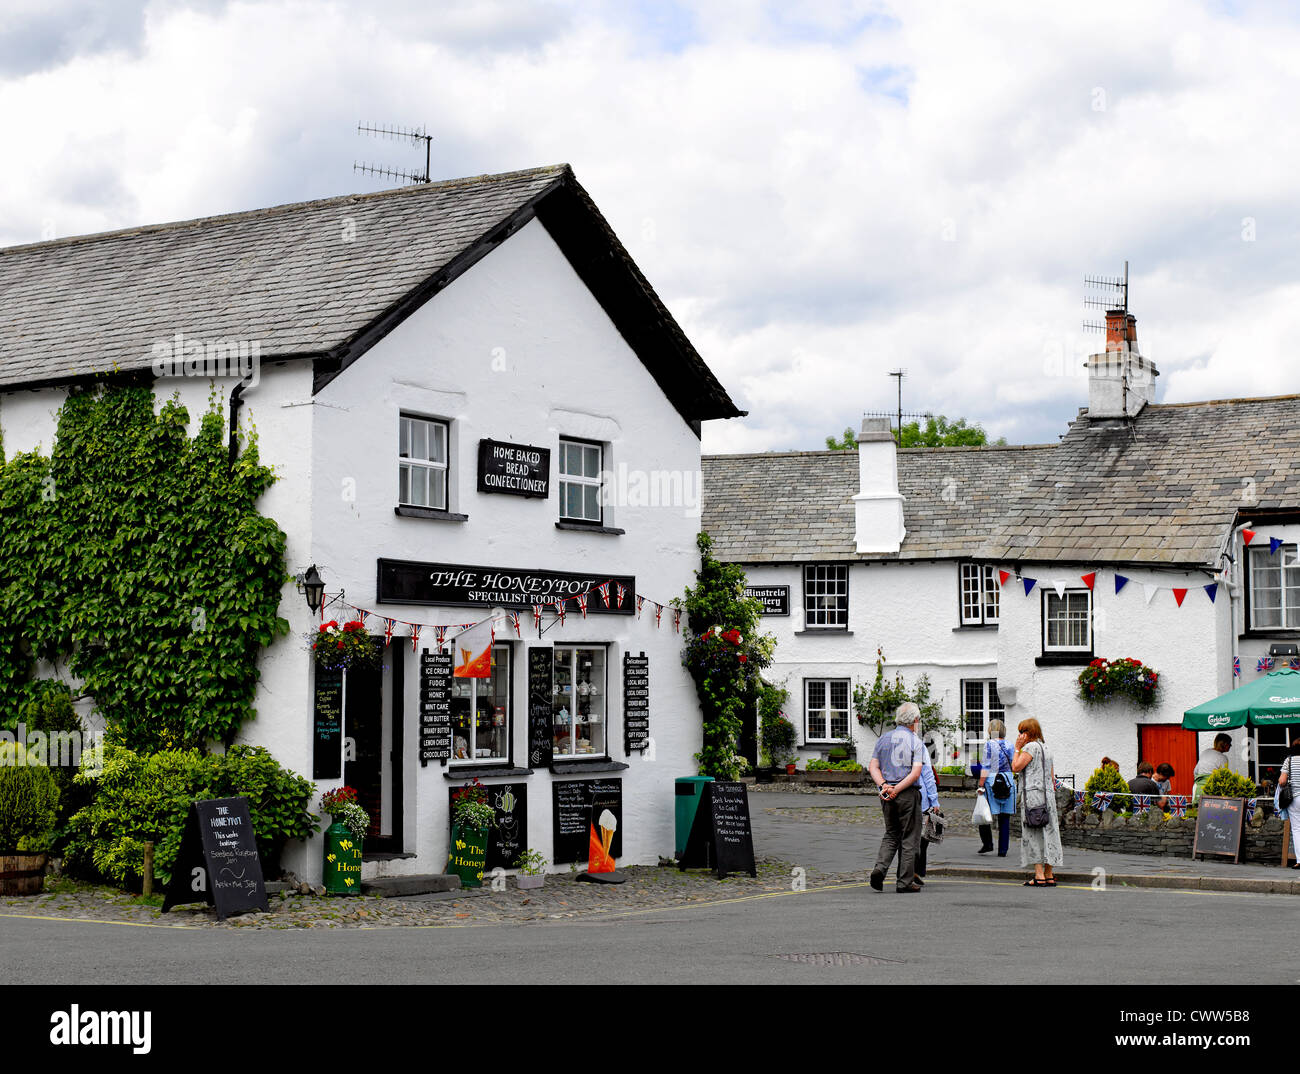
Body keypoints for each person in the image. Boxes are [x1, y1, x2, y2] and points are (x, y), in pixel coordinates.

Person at [868, 702, 928, 893]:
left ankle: (880, 868)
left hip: (886, 794)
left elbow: (873, 767)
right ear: (915, 721)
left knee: (891, 833)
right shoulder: (915, 742)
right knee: (910, 837)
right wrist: (898, 788)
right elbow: (915, 773)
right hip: (907, 793)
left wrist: (884, 786)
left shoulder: (883, 739)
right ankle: (904, 881)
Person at [1011, 717, 1062, 886]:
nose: (1020, 735)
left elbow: (1016, 767)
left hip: (1033, 797)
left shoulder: (1030, 748)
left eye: (1022, 732)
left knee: (1033, 834)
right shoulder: (1046, 748)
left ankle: (1039, 875)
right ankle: (1049, 873)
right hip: (1048, 796)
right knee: (1049, 833)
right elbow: (1052, 777)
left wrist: (1017, 748)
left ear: (1029, 733)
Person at [976, 719, 1016, 856]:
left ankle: (988, 843)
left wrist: (981, 784)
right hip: (1007, 780)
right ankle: (1003, 850)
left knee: (984, 812)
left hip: (992, 780)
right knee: (1005, 817)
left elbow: (986, 766)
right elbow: (1014, 764)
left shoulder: (989, 745)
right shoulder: (1010, 745)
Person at [914, 741, 942, 883]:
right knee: (923, 835)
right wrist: (934, 800)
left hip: (899, 795)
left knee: (905, 836)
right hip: (921, 796)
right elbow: (928, 775)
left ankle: (909, 871)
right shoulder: (919, 745)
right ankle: (918, 870)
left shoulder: (888, 742)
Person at [1278, 738, 1300, 870]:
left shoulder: (1289, 760)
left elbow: (1282, 781)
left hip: (1295, 799)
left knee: (1297, 829)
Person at [1192, 733, 1232, 802]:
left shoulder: (1205, 752)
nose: (1230, 746)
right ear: (1225, 744)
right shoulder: (1223, 758)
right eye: (1230, 744)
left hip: (1198, 787)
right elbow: (1223, 776)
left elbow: (1196, 771)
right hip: (1211, 788)